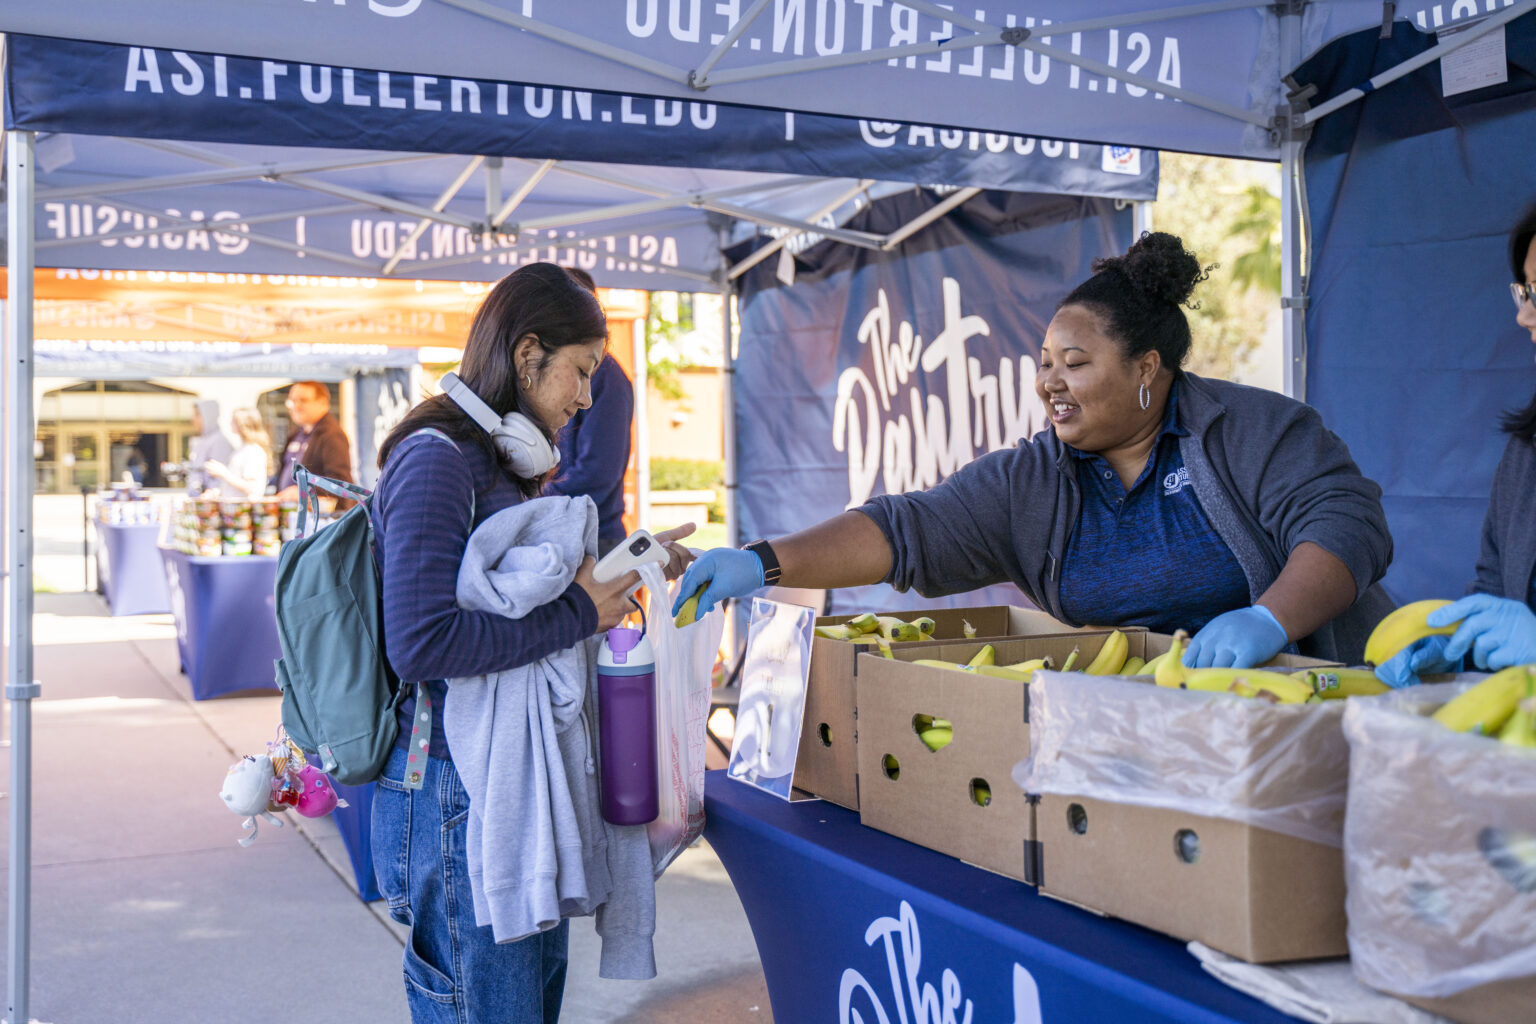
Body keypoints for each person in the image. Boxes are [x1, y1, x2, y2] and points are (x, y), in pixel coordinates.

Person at [676, 231, 1395, 666]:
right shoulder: (1031, 481)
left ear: (1146, 368)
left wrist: (1270, 619)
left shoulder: (1256, 430)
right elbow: (909, 529)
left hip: (1310, 712)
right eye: (1044, 362)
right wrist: (761, 562)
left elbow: (1346, 526)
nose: (1049, 382)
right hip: (1145, 728)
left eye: (1074, 363)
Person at [368, 262, 695, 1023]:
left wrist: (623, 568)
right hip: (453, 788)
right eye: (582, 371)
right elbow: (420, 643)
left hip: (497, 781)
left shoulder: (497, 462)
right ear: (527, 356)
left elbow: (517, 601)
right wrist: (579, 612)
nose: (586, 399)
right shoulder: (435, 459)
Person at [1376, 202, 1536, 684]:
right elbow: (1497, 586)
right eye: (1525, 291)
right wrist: (1459, 647)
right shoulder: (1526, 452)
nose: (1524, 315)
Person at [544, 267, 636, 556]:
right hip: (563, 530)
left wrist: (535, 499)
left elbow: (598, 473)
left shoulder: (607, 377)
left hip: (594, 539)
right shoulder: (556, 369)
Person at [273, 381, 353, 500]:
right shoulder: (296, 434)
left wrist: (304, 491)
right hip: (289, 508)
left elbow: (340, 482)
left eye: (303, 400)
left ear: (322, 402)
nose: (296, 406)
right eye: (292, 401)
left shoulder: (332, 435)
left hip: (320, 511)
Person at [204, 408, 272, 498]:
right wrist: (217, 492)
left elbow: (252, 487)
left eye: (233, 420)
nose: (230, 423)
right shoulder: (241, 450)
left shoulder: (253, 451)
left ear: (242, 424)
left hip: (243, 506)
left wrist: (223, 473)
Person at [184, 399, 234, 493]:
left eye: (197, 415)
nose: (193, 420)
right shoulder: (203, 441)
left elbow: (218, 480)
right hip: (200, 498)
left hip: (211, 499)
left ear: (208, 416)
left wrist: (212, 492)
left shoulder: (219, 442)